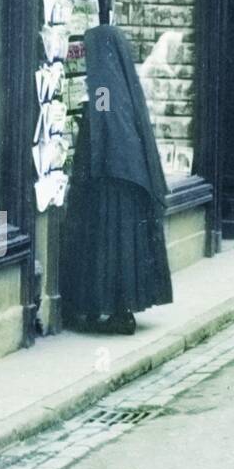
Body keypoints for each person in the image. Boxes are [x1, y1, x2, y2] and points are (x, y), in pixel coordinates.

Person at [60, 25, 173, 335]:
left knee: (106, 246)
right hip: (129, 177)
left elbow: (101, 122)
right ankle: (120, 309)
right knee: (123, 247)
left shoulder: (103, 87)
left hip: (110, 178)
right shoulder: (121, 84)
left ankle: (109, 310)